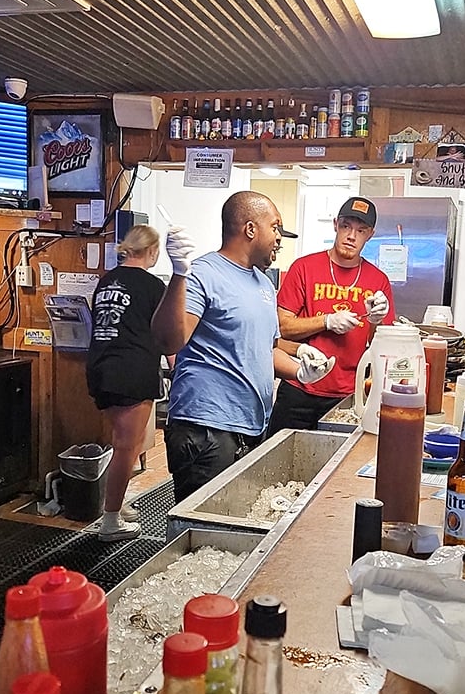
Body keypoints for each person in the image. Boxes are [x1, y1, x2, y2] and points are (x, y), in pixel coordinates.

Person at [151, 191, 336, 503]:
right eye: (275, 227)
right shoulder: (203, 273)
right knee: (204, 522)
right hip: (207, 430)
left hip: (250, 427)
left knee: (235, 515)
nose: (279, 238)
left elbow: (265, 350)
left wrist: (301, 372)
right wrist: (179, 274)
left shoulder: (263, 284)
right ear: (250, 229)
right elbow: (169, 341)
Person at [266, 196, 395, 434]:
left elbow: (383, 349)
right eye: (346, 226)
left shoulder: (379, 281)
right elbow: (282, 328)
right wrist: (326, 321)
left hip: (347, 395)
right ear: (336, 224)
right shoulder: (304, 268)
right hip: (299, 387)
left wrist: (376, 322)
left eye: (361, 230)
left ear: (371, 234)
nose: (351, 236)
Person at [86, 224, 168, 540]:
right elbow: (167, 335)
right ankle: (110, 521)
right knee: (126, 446)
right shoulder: (152, 285)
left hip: (100, 367)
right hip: (132, 370)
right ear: (152, 251)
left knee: (121, 441)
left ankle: (116, 504)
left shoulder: (106, 281)